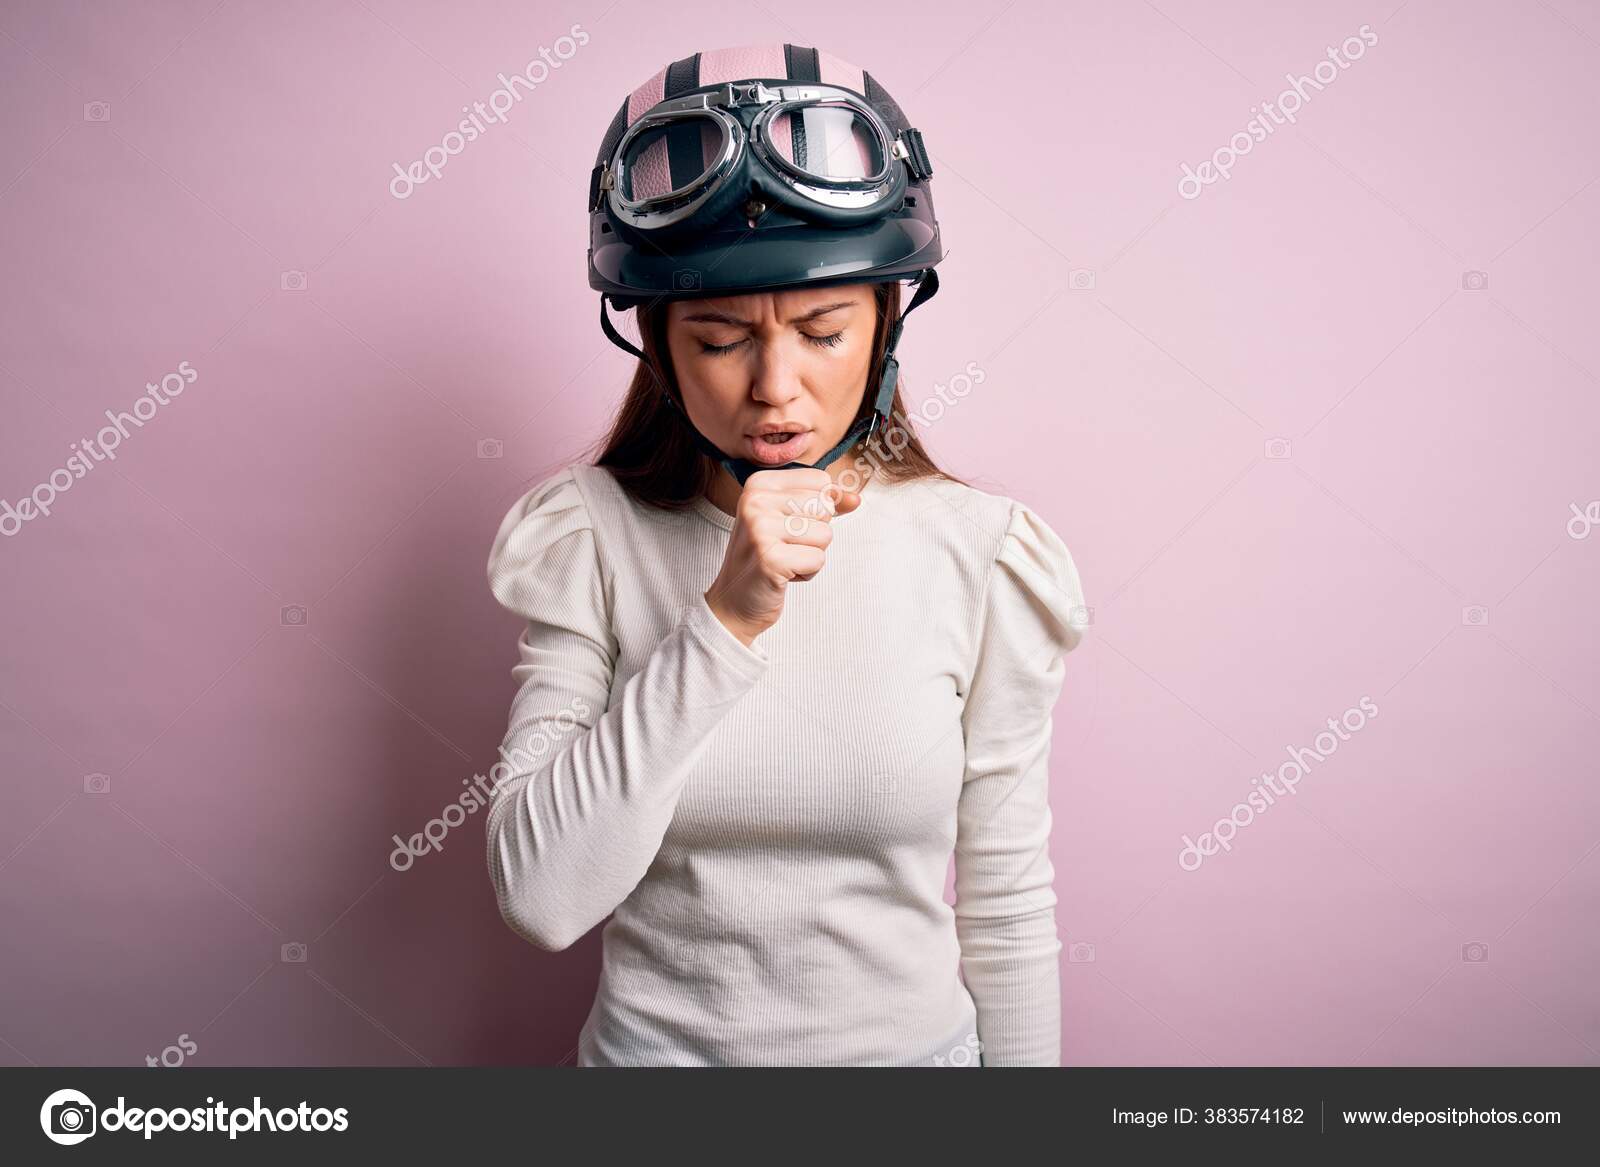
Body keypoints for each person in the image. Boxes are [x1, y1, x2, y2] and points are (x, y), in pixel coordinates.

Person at [483, 43, 1088, 1067]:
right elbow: (541, 899)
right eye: (720, 340)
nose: (775, 387)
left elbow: (1007, 904)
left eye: (821, 330)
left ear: (887, 323)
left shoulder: (984, 556)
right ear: (659, 347)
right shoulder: (585, 536)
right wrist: (724, 619)